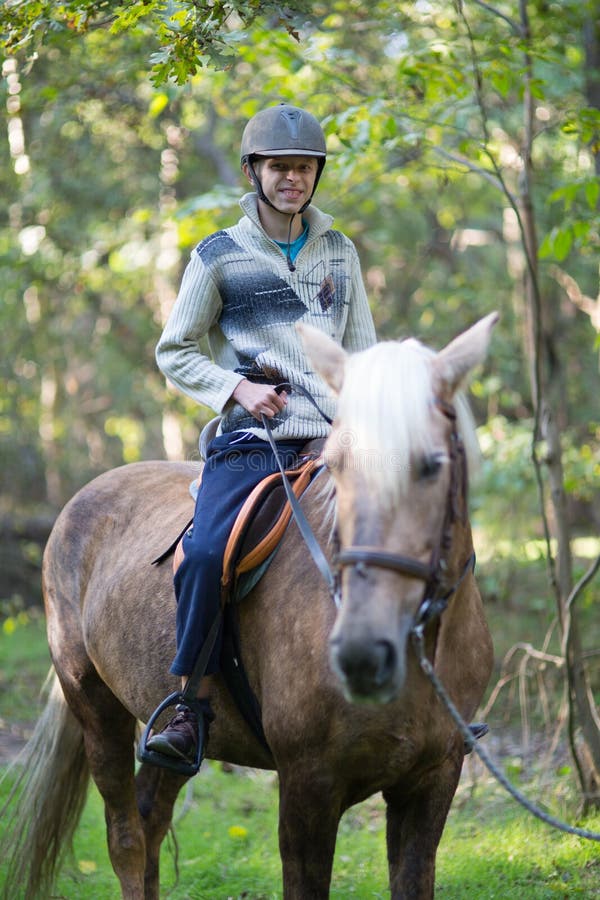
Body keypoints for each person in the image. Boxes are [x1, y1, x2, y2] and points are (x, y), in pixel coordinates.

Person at [146, 102, 377, 765]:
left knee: (415, 527)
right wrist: (235, 388)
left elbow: (361, 354)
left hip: (336, 438)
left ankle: (429, 693)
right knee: (205, 552)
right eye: (279, 167)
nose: (292, 179)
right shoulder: (217, 255)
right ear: (254, 171)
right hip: (256, 440)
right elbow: (175, 350)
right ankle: (189, 707)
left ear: (316, 174)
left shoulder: (340, 252)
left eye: (304, 168)